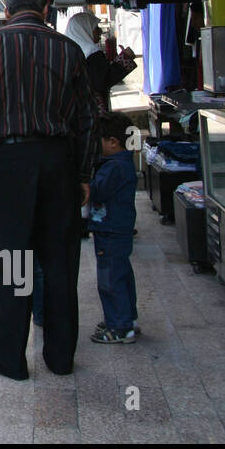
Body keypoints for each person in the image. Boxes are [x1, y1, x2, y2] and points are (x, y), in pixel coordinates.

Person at [0, 0, 98, 380]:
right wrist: (84, 174)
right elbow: (88, 118)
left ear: (6, 8)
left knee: (13, 261)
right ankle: (60, 356)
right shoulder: (68, 49)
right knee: (60, 261)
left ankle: (10, 358)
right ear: (47, 8)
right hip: (59, 161)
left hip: (13, 160)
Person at [88, 111, 140, 344]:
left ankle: (120, 326)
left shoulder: (113, 167)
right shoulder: (122, 162)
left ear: (113, 142)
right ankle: (127, 318)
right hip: (118, 229)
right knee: (122, 274)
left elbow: (96, 190)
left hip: (111, 229)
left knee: (110, 279)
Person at [64, 11, 136, 112]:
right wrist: (126, 58)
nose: (100, 31)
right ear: (85, 29)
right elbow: (102, 81)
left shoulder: (67, 50)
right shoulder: (92, 52)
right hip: (93, 110)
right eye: (96, 28)